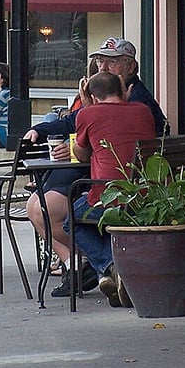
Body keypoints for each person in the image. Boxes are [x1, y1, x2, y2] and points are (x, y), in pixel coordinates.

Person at [63, 71, 155, 306]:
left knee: (70, 219)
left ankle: (111, 266)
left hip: (108, 197)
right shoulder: (143, 111)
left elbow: (81, 153)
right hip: (146, 197)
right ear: (124, 91)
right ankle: (115, 273)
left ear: (92, 96)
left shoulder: (87, 113)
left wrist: (84, 108)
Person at [23, 73, 98, 296]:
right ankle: (73, 264)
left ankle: (92, 260)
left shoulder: (123, 107)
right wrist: (39, 129)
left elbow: (99, 147)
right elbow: (70, 123)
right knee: (33, 206)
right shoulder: (87, 109)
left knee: (46, 208)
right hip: (77, 172)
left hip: (93, 179)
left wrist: (73, 149)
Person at [88, 38, 169, 136]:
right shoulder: (110, 92)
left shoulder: (137, 100)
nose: (103, 68)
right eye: (100, 61)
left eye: (112, 62)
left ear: (130, 67)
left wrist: (89, 110)